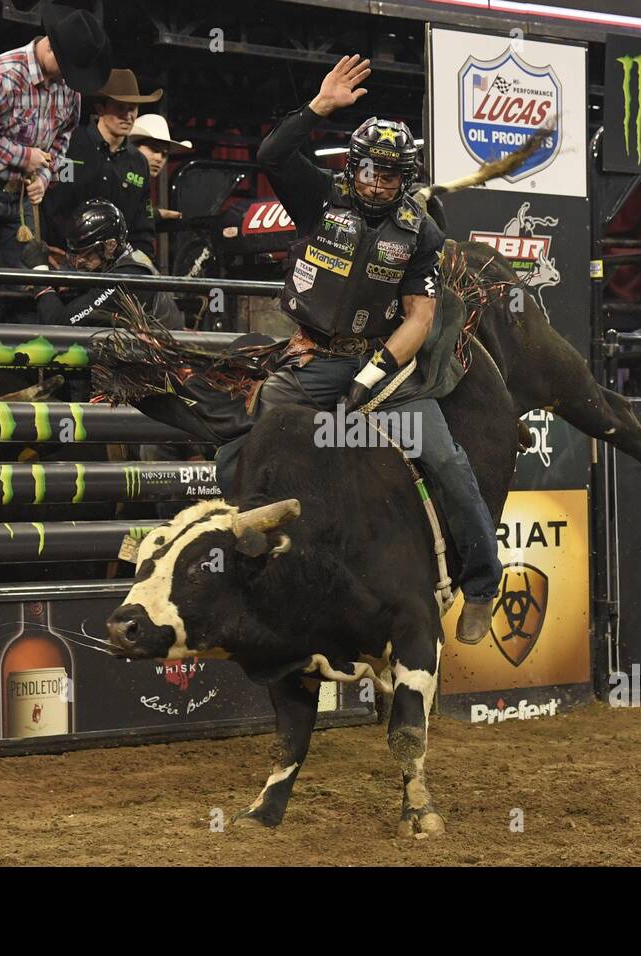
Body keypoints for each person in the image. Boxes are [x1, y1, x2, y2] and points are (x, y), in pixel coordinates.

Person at [215, 53, 502, 643]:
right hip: (310, 358)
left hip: (384, 367)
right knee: (241, 448)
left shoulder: (421, 232)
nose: (376, 182)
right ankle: (260, 552)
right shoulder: (320, 198)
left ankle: (482, 584)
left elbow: (421, 318)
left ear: (405, 179)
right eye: (369, 170)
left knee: (447, 463)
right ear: (354, 166)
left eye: (389, 175)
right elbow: (270, 156)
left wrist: (374, 372)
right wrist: (318, 107)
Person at [0, 5, 111, 269]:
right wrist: (25, 157)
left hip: (20, 193)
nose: (68, 76)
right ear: (50, 47)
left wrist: (44, 177)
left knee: (30, 286)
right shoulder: (2, 74)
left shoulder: (68, 88)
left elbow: (63, 136)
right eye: (67, 67)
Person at [41, 70, 163, 261]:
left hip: (116, 265)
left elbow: (142, 224)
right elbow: (53, 207)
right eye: (120, 108)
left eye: (133, 108)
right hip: (64, 258)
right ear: (100, 108)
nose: (128, 116)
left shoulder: (139, 162)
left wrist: (140, 263)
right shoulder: (69, 145)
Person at [24, 199, 182, 329]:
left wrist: (40, 270)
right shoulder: (127, 261)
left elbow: (58, 324)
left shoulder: (127, 278)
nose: (79, 261)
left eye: (87, 253)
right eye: (76, 253)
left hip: (157, 360)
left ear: (110, 245)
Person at [125, 112, 190, 236]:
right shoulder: (118, 176)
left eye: (164, 154)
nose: (159, 158)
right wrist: (156, 214)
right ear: (133, 148)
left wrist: (156, 214)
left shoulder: (142, 183)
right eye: (154, 150)